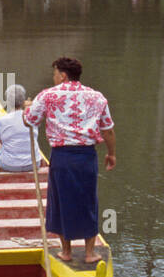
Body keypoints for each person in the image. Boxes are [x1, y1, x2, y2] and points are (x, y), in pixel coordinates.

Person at [24, 57, 116, 264]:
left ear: (63, 75)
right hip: (86, 156)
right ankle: (90, 253)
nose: (54, 77)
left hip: (63, 157)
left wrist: (28, 107)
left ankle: (66, 252)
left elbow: (29, 120)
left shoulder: (48, 95)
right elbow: (108, 129)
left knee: (61, 201)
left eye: (55, 73)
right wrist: (112, 153)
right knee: (88, 201)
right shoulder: (97, 97)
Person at [0, 85, 35, 172]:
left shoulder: (2, 120)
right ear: (23, 101)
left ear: (8, 102)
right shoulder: (32, 118)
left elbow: (0, 141)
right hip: (33, 164)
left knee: (2, 146)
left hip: (9, 165)